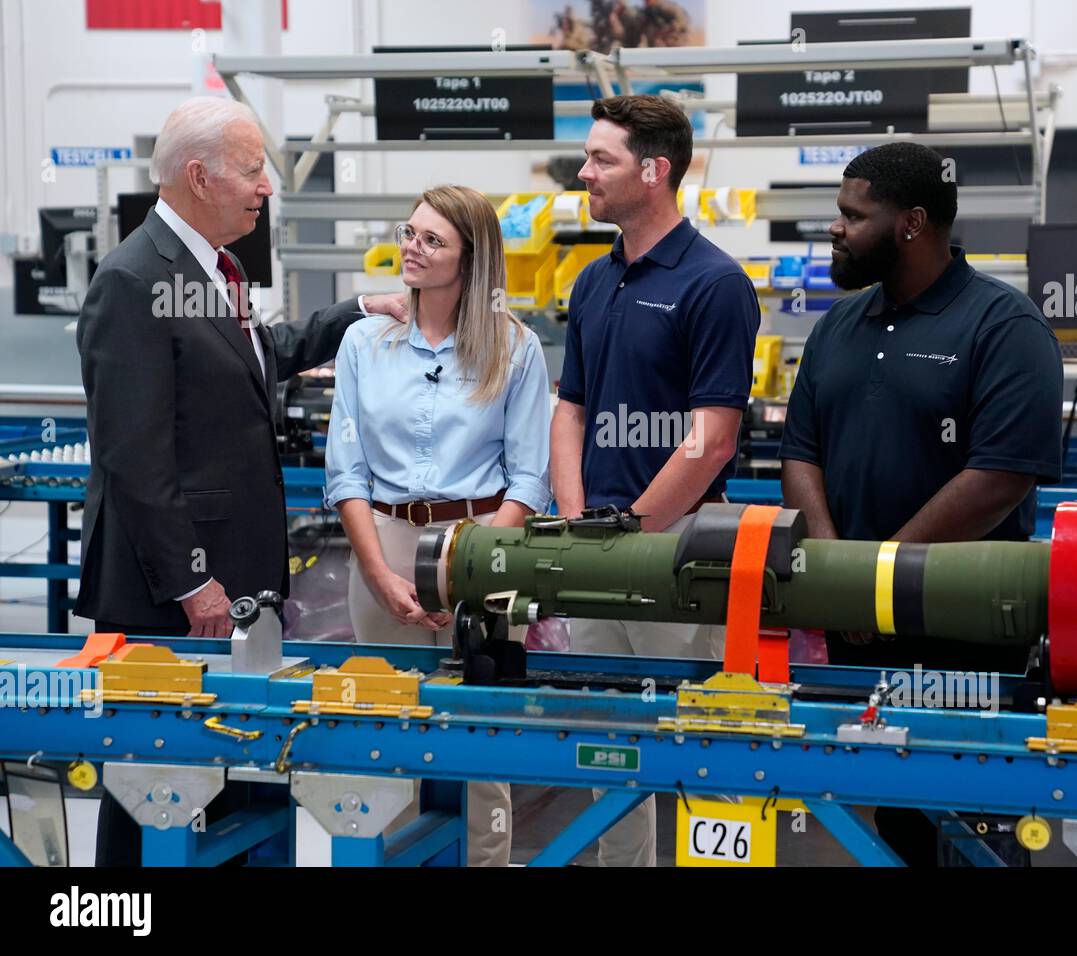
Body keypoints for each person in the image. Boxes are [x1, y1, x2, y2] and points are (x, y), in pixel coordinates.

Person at [77, 95, 407, 866]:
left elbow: (263, 352)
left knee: (225, 775)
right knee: (152, 787)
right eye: (254, 170)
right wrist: (192, 582)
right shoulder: (133, 280)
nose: (267, 187)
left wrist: (359, 310)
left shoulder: (211, 269)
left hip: (234, 581)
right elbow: (134, 454)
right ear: (199, 176)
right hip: (174, 594)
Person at [779, 142, 1063, 864]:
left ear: (910, 223)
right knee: (898, 819)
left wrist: (880, 578)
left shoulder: (1004, 326)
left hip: (965, 632)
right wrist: (842, 573)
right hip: (858, 634)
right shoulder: (839, 325)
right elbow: (800, 452)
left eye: (852, 214)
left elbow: (1002, 474)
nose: (836, 228)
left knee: (976, 823)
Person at [551, 94, 760, 865]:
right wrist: (577, 522)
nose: (585, 172)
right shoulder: (592, 281)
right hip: (595, 545)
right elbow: (569, 409)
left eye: (601, 159)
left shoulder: (715, 283)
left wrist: (632, 529)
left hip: (678, 547)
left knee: (708, 742)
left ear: (655, 170)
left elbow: (711, 440)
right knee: (610, 747)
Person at [325, 185, 552, 866]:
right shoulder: (365, 342)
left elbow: (530, 479)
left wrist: (466, 568)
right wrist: (379, 573)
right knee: (385, 735)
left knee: (478, 742)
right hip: (382, 547)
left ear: (471, 259)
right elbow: (348, 471)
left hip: (483, 549)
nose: (411, 248)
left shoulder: (516, 348)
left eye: (432, 240)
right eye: (410, 232)